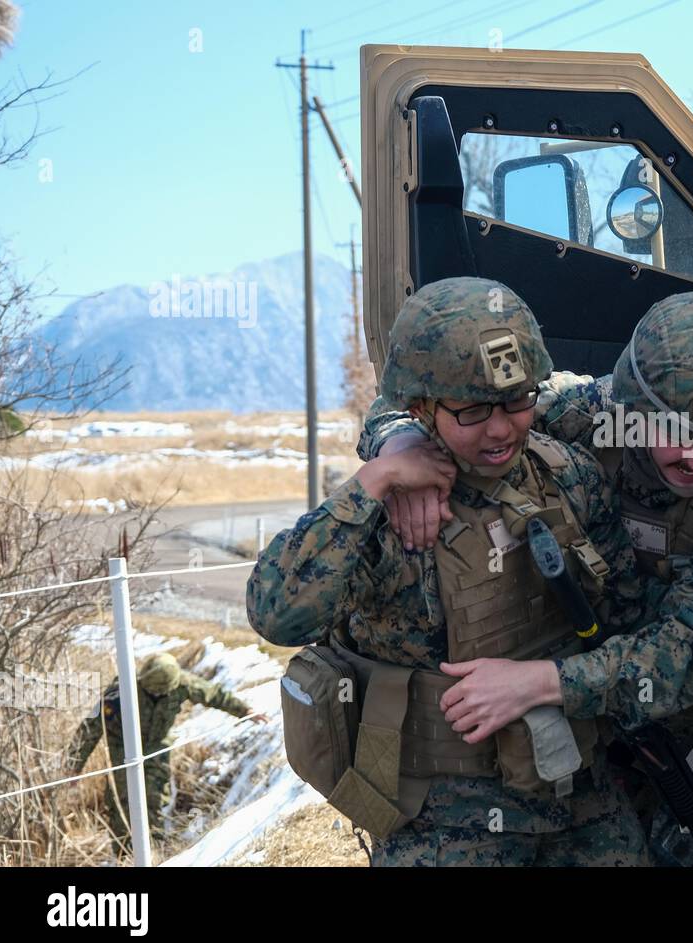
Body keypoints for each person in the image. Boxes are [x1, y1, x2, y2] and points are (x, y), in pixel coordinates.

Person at [363, 292, 693, 865]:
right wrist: (403, 447)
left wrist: (538, 682)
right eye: (676, 430)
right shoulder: (596, 410)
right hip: (622, 666)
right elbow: (425, 396)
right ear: (635, 410)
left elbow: (692, 650)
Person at [247, 276, 658, 866]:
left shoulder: (566, 475)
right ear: (421, 409)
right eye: (471, 412)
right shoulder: (391, 518)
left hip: (575, 787)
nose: (500, 428)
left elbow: (627, 613)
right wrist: (376, 481)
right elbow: (276, 612)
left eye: (517, 402)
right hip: (442, 821)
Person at [66, 652, 265, 853]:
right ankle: (124, 855)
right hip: (123, 749)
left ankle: (154, 851)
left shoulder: (182, 682)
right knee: (121, 803)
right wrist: (73, 767)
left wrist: (245, 711)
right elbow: (90, 728)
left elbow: (214, 695)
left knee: (155, 799)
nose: (159, 695)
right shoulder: (120, 691)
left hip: (157, 747)